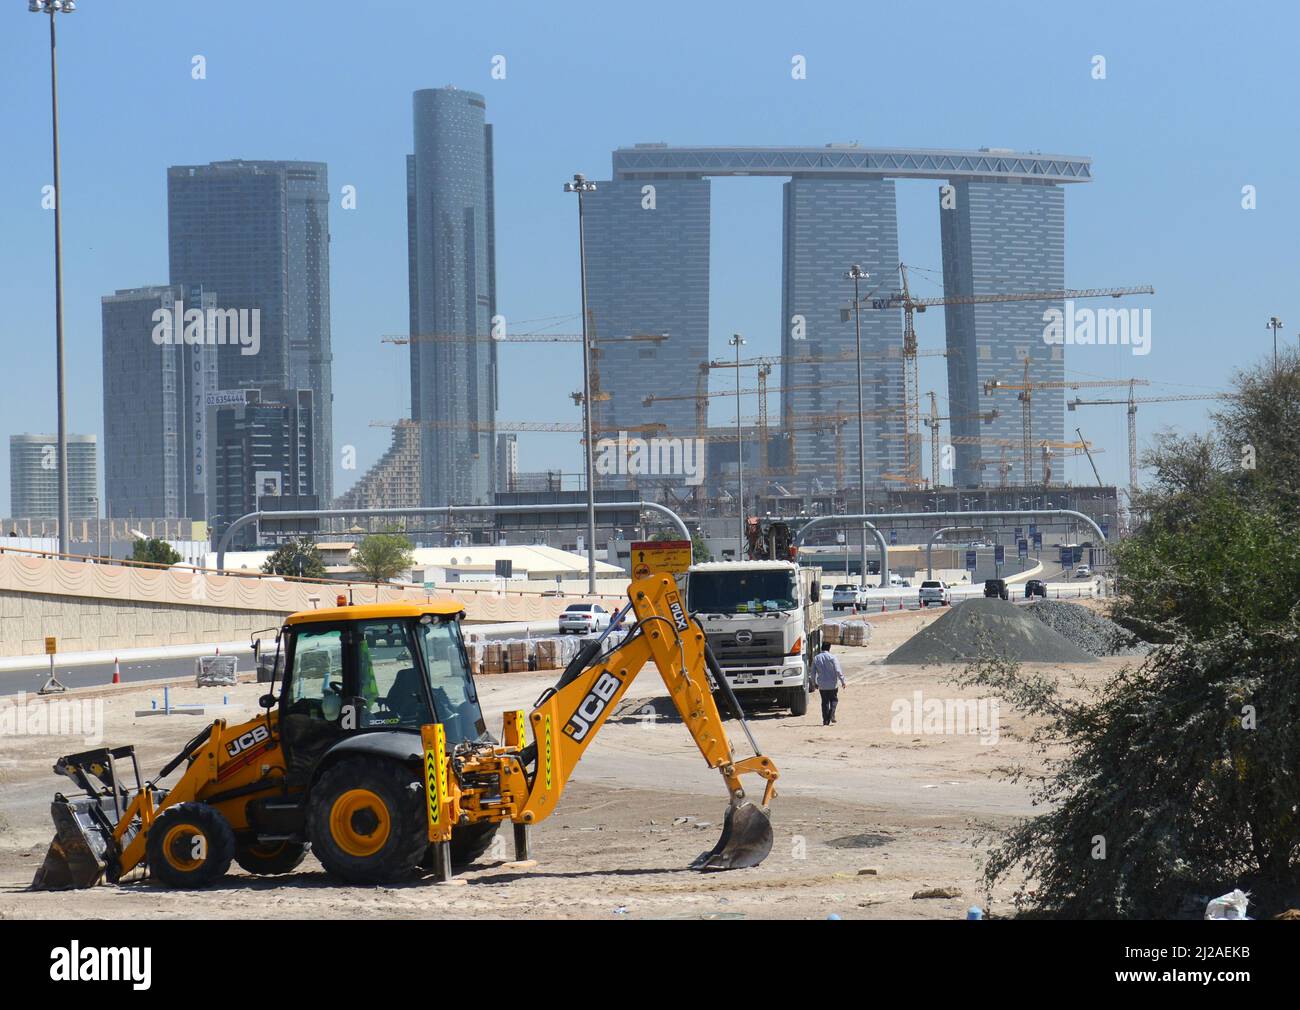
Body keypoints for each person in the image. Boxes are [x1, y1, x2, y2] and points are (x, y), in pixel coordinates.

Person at [810, 641, 847, 726]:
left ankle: (825, 721)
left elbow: (812, 673)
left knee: (824, 702)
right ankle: (831, 714)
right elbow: (838, 670)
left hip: (822, 685)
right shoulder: (832, 657)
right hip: (832, 684)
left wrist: (814, 683)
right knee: (834, 700)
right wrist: (842, 681)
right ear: (829, 648)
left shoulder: (816, 658)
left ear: (821, 648)